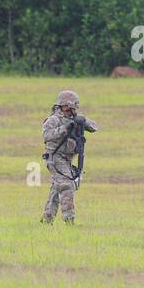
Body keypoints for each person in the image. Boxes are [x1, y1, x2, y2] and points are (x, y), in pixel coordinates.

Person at [42, 90, 97, 224]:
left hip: (67, 159)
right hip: (55, 158)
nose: (72, 108)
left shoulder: (75, 118)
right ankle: (69, 220)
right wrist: (65, 128)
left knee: (57, 188)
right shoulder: (53, 120)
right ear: (64, 104)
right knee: (66, 185)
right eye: (70, 105)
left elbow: (95, 127)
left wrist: (83, 121)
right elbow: (47, 135)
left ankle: (47, 219)